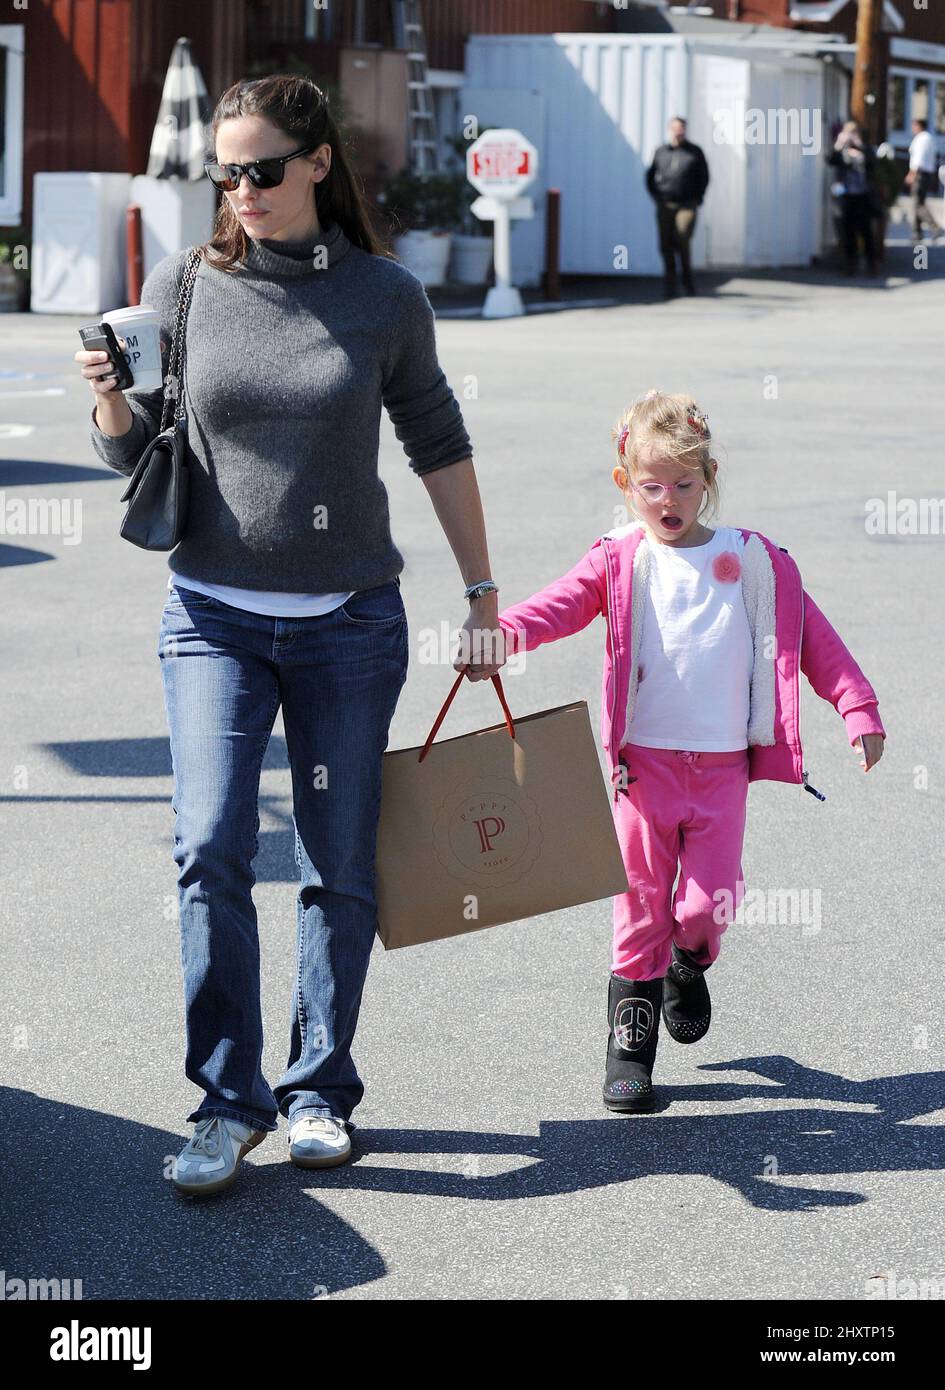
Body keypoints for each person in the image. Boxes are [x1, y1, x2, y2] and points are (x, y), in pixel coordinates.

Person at [78, 73, 506, 1197]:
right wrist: (113, 406)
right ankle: (227, 1101)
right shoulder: (185, 285)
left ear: (318, 162)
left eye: (264, 168)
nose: (243, 189)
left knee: (337, 860)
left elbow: (438, 443)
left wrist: (481, 592)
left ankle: (318, 1087)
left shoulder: (383, 298)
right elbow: (139, 457)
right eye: (227, 171)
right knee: (211, 847)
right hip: (211, 614)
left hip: (350, 625)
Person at [495, 390, 886, 1113]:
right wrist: (500, 635)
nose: (667, 500)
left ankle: (689, 960)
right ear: (625, 485)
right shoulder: (618, 559)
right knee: (639, 904)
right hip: (639, 771)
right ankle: (628, 1054)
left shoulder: (751, 560)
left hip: (720, 770)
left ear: (707, 478)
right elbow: (553, 607)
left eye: (682, 484)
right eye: (650, 486)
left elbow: (813, 643)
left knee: (710, 903)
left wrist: (857, 709)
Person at [645, 116, 710, 298]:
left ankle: (688, 282)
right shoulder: (661, 152)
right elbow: (650, 175)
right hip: (665, 204)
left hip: (687, 204)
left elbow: (704, 177)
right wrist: (656, 196)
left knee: (681, 238)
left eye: (681, 128)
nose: (678, 131)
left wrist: (698, 197)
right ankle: (670, 283)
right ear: (670, 130)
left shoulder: (694, 152)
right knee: (665, 244)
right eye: (675, 128)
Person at [826, 120, 879, 276]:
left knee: (866, 231)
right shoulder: (842, 150)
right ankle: (849, 264)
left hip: (863, 196)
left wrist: (860, 145)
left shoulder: (865, 149)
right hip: (846, 195)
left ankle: (871, 265)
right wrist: (840, 143)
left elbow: (872, 163)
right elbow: (830, 160)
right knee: (847, 232)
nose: (851, 136)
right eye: (849, 133)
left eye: (853, 133)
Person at [906, 117, 944, 242]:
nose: (912, 128)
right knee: (917, 202)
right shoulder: (929, 138)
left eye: (914, 125)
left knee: (918, 204)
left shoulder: (922, 139)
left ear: (919, 126)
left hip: (920, 173)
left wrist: (912, 174)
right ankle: (917, 232)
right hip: (926, 173)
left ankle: (935, 227)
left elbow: (919, 159)